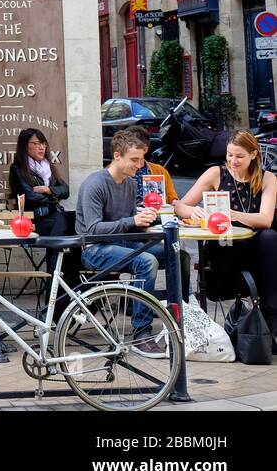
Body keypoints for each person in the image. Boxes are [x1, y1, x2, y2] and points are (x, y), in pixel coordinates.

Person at [77, 128, 191, 355]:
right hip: (94, 248)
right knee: (147, 261)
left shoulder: (129, 183)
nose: (139, 165)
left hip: (123, 243)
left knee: (178, 253)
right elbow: (92, 229)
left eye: (141, 159)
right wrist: (132, 220)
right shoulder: (95, 184)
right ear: (117, 156)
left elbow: (129, 224)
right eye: (134, 160)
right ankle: (141, 333)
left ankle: (181, 317)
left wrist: (145, 220)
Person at [174, 130, 277, 336]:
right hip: (224, 245)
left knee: (269, 237)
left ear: (253, 155)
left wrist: (231, 214)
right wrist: (193, 211)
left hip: (256, 246)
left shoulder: (267, 178)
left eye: (239, 156)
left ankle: (271, 316)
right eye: (229, 155)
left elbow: (265, 219)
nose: (233, 161)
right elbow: (179, 205)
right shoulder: (216, 173)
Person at [8, 129, 73, 274]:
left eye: (43, 143)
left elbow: (66, 190)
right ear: (25, 146)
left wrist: (48, 190)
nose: (41, 147)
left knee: (76, 222)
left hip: (54, 216)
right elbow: (30, 196)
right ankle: (55, 284)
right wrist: (54, 196)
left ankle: (74, 282)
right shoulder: (17, 169)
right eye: (36, 143)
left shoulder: (48, 167)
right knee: (61, 227)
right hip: (36, 220)